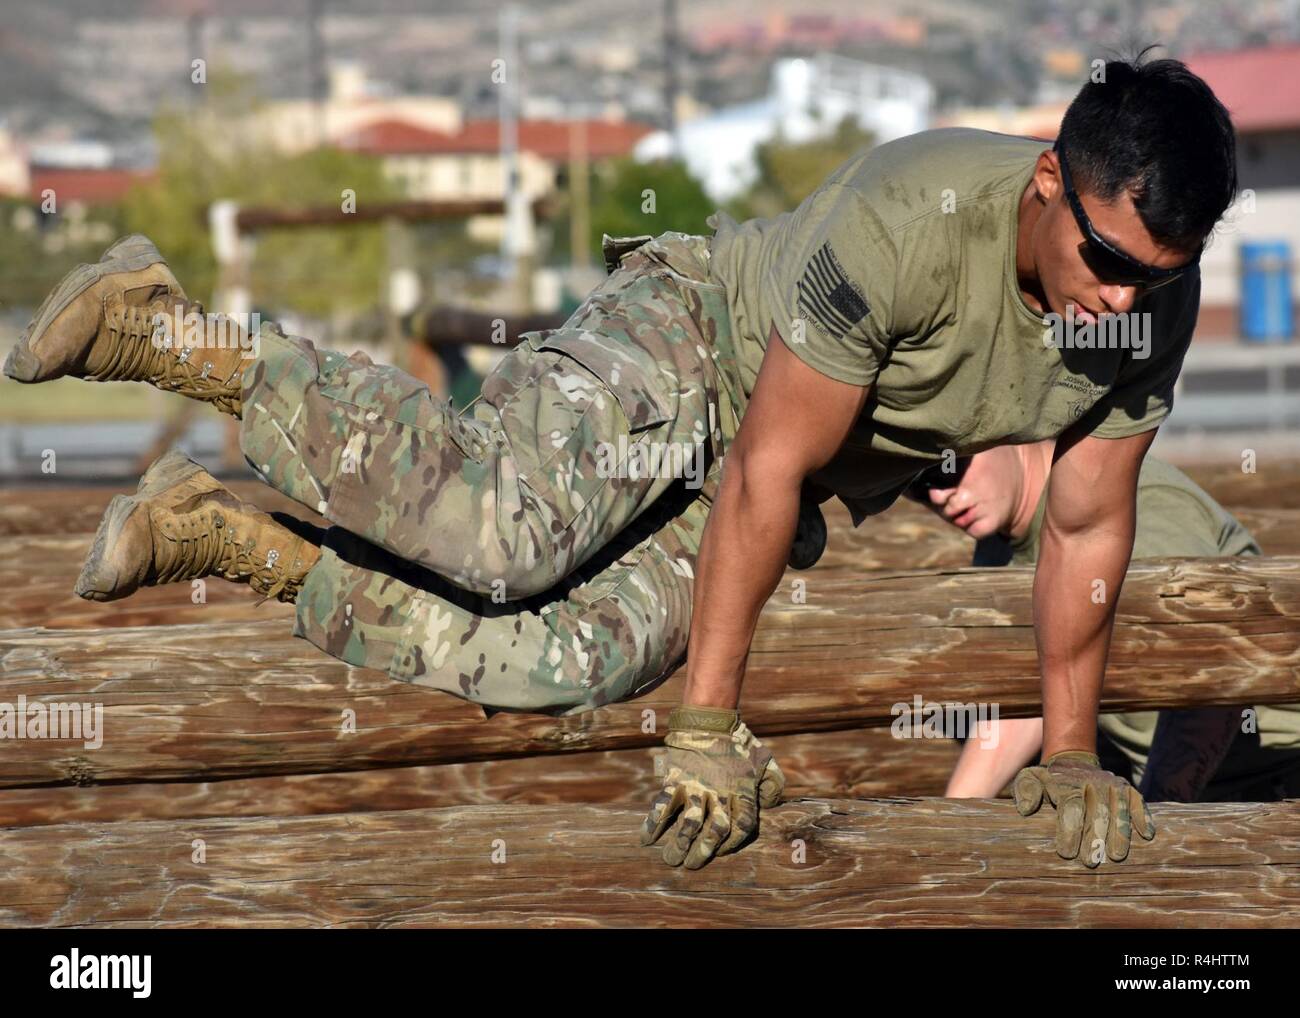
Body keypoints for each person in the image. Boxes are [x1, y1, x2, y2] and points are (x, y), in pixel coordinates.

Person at [4, 52, 1237, 870]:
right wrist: (708, 725)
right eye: (1109, 261)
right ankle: (173, 332)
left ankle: (236, 544)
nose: (1119, 297)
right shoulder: (910, 218)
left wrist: (1073, 753)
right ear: (1044, 184)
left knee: (558, 660)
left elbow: (1083, 529)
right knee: (500, 527)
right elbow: (758, 463)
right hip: (701, 347)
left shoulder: (1146, 312)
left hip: (781, 471)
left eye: (1158, 277)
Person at [909, 443, 1300, 804]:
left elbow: (1213, 660)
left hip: (1278, 777)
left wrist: (1158, 824)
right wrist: (943, 831)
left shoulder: (1131, 500)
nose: (939, 495)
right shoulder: (997, 551)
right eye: (916, 484)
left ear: (1013, 430)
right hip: (1196, 792)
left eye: (948, 468)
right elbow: (1033, 697)